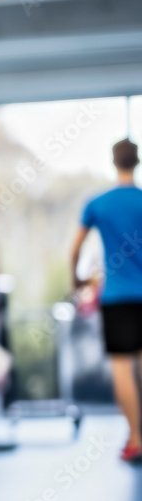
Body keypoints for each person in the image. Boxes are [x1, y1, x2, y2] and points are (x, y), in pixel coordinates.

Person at [70, 138, 142, 462]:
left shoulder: (97, 203)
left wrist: (78, 281)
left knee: (122, 368)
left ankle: (136, 438)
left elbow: (74, 250)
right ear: (137, 161)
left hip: (115, 297)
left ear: (114, 162)